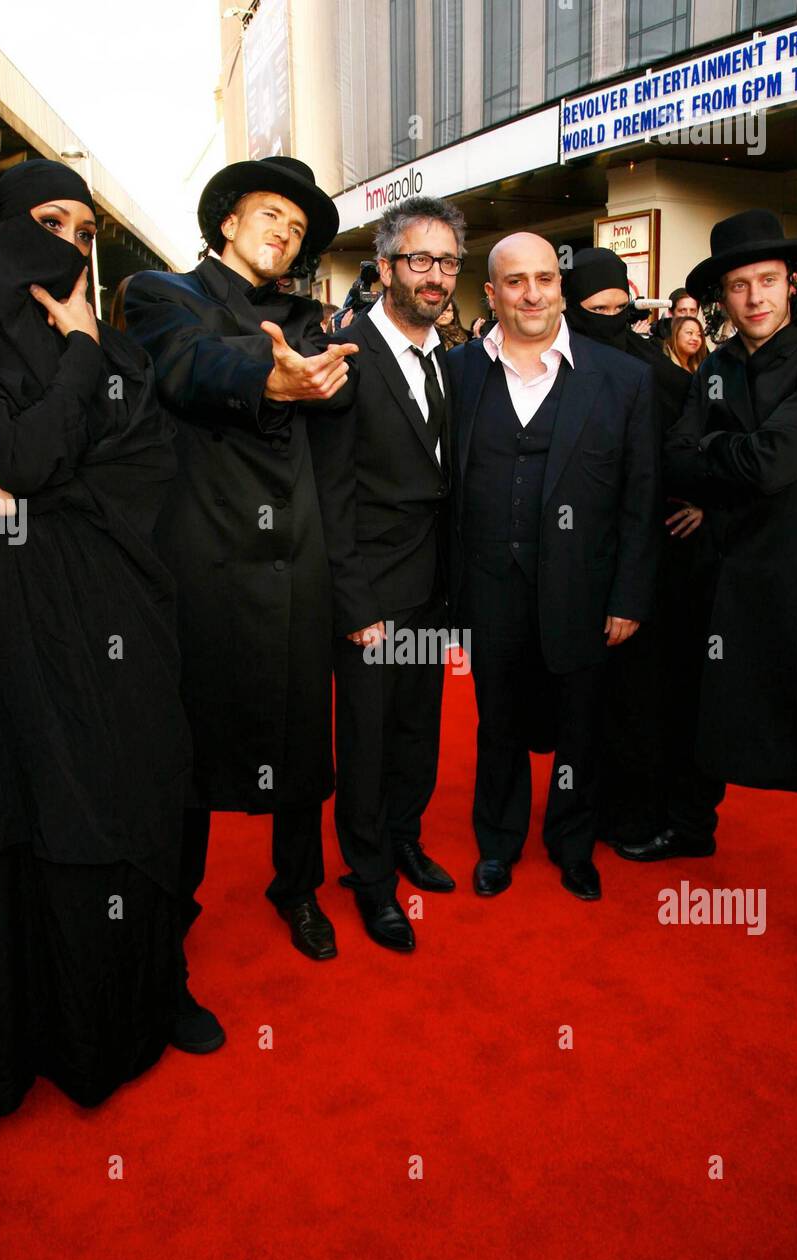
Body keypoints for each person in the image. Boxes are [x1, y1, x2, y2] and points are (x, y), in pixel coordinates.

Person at [0, 160, 200, 1149]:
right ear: (0, 229)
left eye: (83, 227)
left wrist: (42, 484)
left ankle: (136, 1004)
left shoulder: (118, 346)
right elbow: (34, 457)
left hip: (118, 604)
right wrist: (75, 370)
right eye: (46, 220)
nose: (69, 242)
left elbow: (143, 473)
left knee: (129, 794)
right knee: (1, 816)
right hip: (2, 612)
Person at [124, 158, 358, 967]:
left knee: (302, 740)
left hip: (297, 559)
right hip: (202, 562)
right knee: (187, 744)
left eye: (297, 229)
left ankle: (296, 887)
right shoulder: (162, 294)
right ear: (227, 221)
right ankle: (171, 905)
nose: (285, 235)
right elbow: (187, 366)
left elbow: (345, 420)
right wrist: (270, 373)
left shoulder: (311, 319)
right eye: (271, 216)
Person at [664, 208, 797, 996]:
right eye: (738, 285)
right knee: (702, 699)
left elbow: (770, 462)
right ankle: (693, 830)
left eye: (767, 281)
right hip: (720, 571)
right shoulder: (716, 366)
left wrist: (716, 461)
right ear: (721, 295)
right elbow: (677, 459)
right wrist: (721, 464)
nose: (755, 296)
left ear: (790, 283)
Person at [446, 233, 658, 902]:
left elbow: (641, 498)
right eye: (515, 281)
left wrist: (629, 595)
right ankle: (498, 843)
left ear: (561, 289)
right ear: (491, 293)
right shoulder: (455, 374)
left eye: (544, 279)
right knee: (498, 721)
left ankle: (572, 845)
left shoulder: (623, 378)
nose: (532, 293)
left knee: (581, 726)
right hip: (488, 588)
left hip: (586, 590)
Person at [310, 195, 463, 951]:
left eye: (447, 262)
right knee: (365, 745)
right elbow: (330, 496)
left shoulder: (445, 358)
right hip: (372, 597)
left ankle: (404, 841)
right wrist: (355, 601)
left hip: (431, 592)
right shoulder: (347, 357)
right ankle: (370, 880)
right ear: (384, 268)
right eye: (420, 260)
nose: (434, 276)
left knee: (416, 734)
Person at [561, 247, 722, 861]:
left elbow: (716, 438)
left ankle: (647, 814)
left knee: (647, 692)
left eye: (618, 309)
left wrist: (709, 501)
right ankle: (600, 804)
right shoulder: (561, 365)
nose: (607, 318)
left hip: (660, 559)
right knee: (595, 690)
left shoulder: (654, 371)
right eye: (594, 309)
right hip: (584, 556)